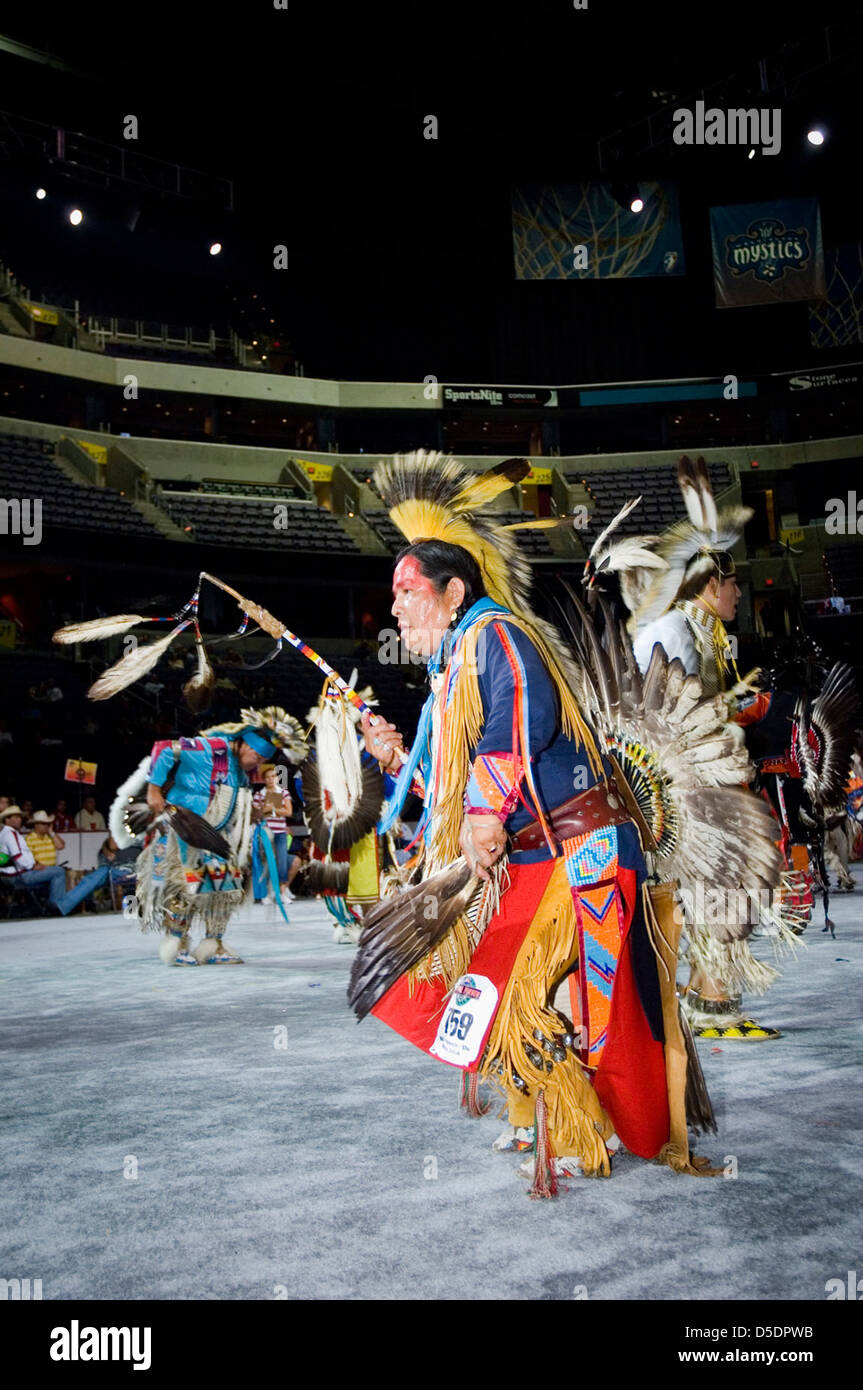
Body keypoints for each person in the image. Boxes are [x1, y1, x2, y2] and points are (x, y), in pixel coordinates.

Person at [354, 451, 714, 1193]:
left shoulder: (497, 637)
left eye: (407, 591)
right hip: (531, 853)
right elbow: (457, 788)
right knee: (488, 987)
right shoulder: (454, 664)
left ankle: (590, 1125)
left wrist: (483, 817)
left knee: (555, 996)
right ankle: (536, 1110)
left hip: (578, 847)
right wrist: (396, 761)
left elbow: (523, 720)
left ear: (452, 591)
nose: (395, 607)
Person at [125, 707, 304, 965]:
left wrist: (253, 812)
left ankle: (213, 944)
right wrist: (154, 790)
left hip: (220, 837)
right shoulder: (211, 748)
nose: (255, 761)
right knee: (186, 885)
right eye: (253, 753)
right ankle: (177, 943)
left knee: (225, 887)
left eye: (260, 758)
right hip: (186, 828)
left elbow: (237, 800)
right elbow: (164, 748)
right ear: (242, 744)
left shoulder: (244, 772)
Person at [0, 805, 108, 916]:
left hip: (21, 872)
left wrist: (51, 832)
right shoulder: (12, 834)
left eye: (19, 817)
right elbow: (18, 856)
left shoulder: (8, 834)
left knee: (64, 872)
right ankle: (57, 907)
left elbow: (61, 846)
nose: (19, 819)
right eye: (15, 817)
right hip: (19, 874)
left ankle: (68, 905)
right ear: (7, 820)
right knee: (59, 872)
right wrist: (32, 866)